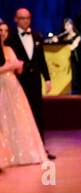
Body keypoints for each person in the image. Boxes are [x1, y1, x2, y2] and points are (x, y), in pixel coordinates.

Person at [6, 8, 53, 159]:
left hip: (35, 82)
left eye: (27, 18)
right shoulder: (10, 39)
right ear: (15, 19)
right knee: (20, 115)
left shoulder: (37, 36)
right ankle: (21, 150)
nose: (24, 21)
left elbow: (41, 60)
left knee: (38, 114)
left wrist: (47, 78)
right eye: (21, 18)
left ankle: (41, 149)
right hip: (18, 82)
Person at [0, 20, 46, 168]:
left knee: (18, 117)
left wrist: (18, 66)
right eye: (1, 30)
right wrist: (10, 66)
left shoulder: (9, 48)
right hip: (2, 86)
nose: (3, 33)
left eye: (5, 31)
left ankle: (22, 152)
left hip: (13, 86)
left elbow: (18, 69)